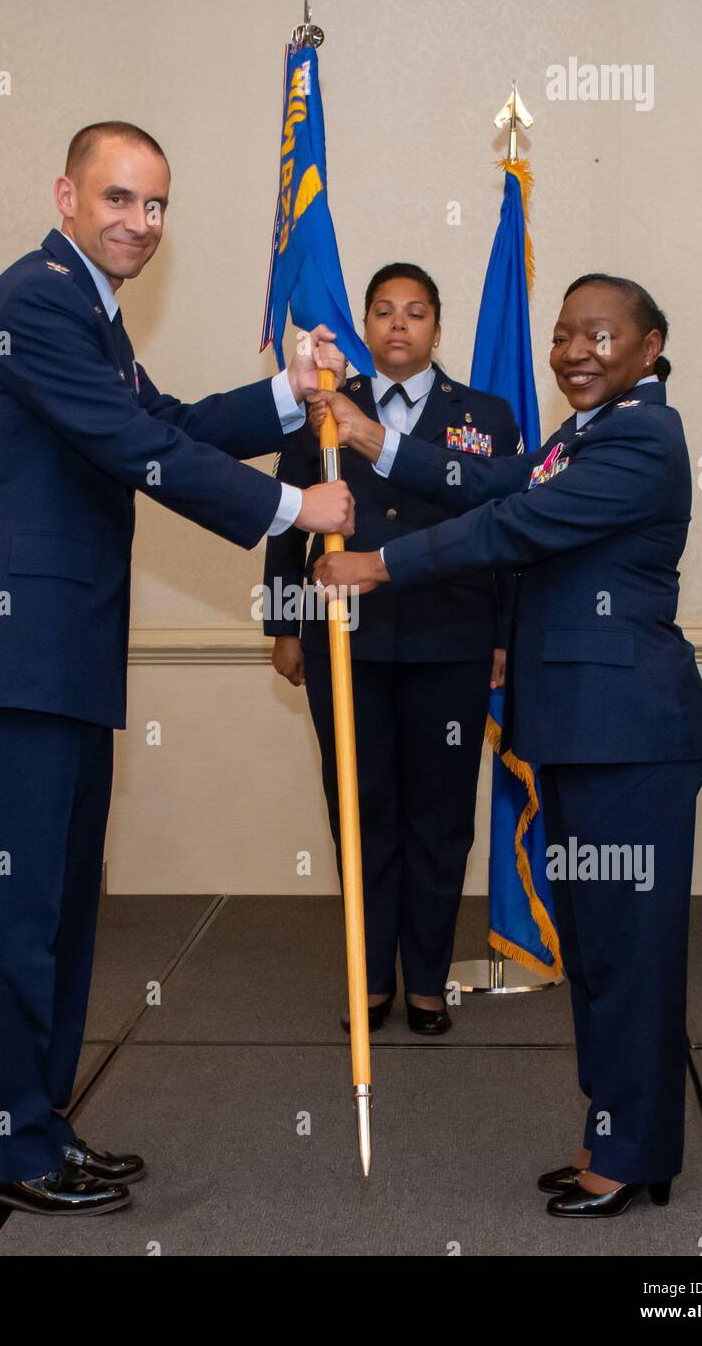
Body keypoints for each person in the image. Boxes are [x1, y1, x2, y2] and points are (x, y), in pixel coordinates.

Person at [0, 120, 353, 1217]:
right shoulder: (38, 300)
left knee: (57, 905)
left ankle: (36, 1120)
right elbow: (140, 451)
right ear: (65, 195)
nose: (138, 223)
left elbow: (164, 420)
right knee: (16, 914)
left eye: (154, 206)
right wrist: (298, 506)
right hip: (18, 657)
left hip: (56, 656)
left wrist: (285, 388)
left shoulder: (89, 317)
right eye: (117, 199)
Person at [314, 273, 702, 1217]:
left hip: (629, 738)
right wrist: (374, 439)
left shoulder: (645, 436)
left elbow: (515, 521)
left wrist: (381, 561)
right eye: (563, 335)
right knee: (599, 949)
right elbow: (495, 478)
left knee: (630, 954)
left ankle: (629, 1155)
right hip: (583, 733)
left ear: (650, 346)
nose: (575, 352)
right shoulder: (583, 436)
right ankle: (618, 1139)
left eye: (600, 336)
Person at [264, 264, 519, 1034]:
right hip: (348, 643)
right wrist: (284, 623)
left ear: (438, 331)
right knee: (361, 808)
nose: (398, 325)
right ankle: (371, 975)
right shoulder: (325, 410)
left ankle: (429, 981)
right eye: (383, 312)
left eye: (415, 313)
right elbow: (286, 520)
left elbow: (508, 527)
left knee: (440, 818)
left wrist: (503, 635)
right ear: (367, 329)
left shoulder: (486, 413)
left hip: (452, 640)